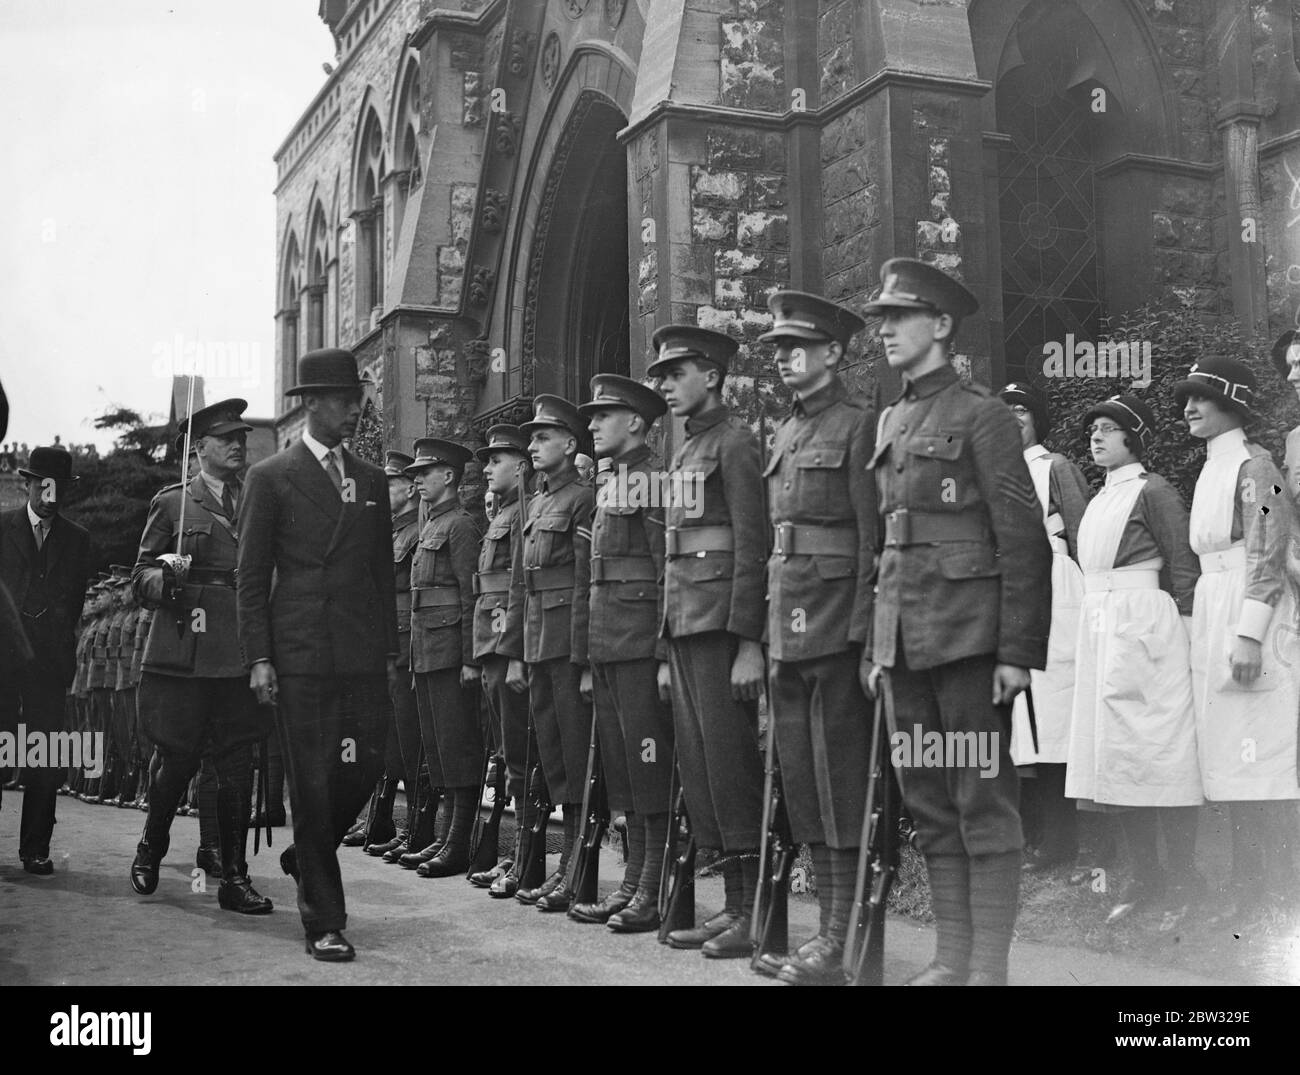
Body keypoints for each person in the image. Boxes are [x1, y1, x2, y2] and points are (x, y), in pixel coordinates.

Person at [860, 258, 1052, 986]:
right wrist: (880, 646)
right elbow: (888, 541)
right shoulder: (893, 418)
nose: (884, 330)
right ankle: (950, 958)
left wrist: (1016, 651)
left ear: (941, 325)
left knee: (981, 799)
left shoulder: (985, 415)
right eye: (880, 319)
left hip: (970, 642)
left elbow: (1021, 537)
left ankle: (987, 968)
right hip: (906, 645)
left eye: (899, 317)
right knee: (931, 801)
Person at [237, 349, 400, 962]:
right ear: (311, 403)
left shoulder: (372, 479)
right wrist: (259, 657)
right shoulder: (270, 476)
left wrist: (388, 647)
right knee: (309, 782)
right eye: (343, 399)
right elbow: (251, 579)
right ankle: (324, 921)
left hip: (358, 650)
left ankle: (306, 852)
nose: (356, 407)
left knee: (367, 763)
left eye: (357, 397)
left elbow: (382, 573)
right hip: (300, 652)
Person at [756, 291, 877, 984]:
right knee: (802, 784)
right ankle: (826, 928)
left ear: (834, 352)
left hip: (835, 629)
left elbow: (870, 537)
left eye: (796, 346)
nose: (784, 358)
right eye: (778, 349)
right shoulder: (786, 433)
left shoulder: (861, 426)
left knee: (838, 784)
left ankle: (844, 934)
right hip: (789, 626)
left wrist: (863, 635)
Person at [128, 399, 272, 915]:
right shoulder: (172, 504)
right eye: (227, 438)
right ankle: (152, 845)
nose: (239, 445)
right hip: (185, 655)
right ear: (199, 449)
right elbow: (139, 576)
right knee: (178, 759)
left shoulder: (258, 496)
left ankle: (234, 877)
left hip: (238, 652)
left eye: (242, 437)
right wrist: (163, 580)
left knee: (237, 765)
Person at [650, 326, 767, 957]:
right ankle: (735, 906)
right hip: (689, 631)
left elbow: (754, 544)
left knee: (732, 766)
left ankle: (753, 912)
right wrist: (666, 648)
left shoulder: (736, 443)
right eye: (662, 377)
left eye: (676, 373)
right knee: (702, 772)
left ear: (713, 376)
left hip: (724, 630)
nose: (665, 385)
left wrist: (751, 642)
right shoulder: (685, 450)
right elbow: (675, 557)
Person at [1064, 393, 1203, 924]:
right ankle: (1146, 875)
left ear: (1133, 438)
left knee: (1159, 749)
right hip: (1102, 625)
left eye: (1108, 429)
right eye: (1092, 429)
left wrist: (1189, 637)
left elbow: (1183, 563)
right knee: (1117, 753)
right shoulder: (1101, 497)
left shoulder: (1155, 491)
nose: (1096, 438)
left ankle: (1186, 877)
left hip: (1146, 627)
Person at [1175, 358, 1300, 916]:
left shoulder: (1258, 466)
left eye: (1203, 397)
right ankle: (1251, 887)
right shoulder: (1211, 468)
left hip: (1252, 607)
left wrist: (1249, 634)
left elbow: (1269, 549)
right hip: (1212, 601)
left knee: (1261, 750)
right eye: (1187, 398)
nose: (1189, 407)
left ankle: (1270, 891)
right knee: (1231, 748)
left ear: (1234, 404)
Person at [574, 374, 675, 931]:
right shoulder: (612, 485)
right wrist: (591, 656)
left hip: (638, 646)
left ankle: (652, 889)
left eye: (602, 415)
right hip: (610, 645)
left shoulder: (655, 480)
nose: (591, 425)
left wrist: (663, 652)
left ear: (635, 421)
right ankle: (634, 882)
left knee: (649, 765)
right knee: (624, 769)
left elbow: (666, 568)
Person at [503, 396, 595, 910]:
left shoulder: (584, 498)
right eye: (531, 438)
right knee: (554, 757)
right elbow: (520, 583)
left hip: (565, 645)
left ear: (570, 444)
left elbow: (587, 581)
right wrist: (515, 651)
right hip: (537, 644)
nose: (533, 446)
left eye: (543, 437)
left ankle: (578, 871)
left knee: (578, 757)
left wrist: (580, 658)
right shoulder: (533, 503)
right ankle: (565, 869)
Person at [997, 383, 1090, 872]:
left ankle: (1062, 839)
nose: (1013, 418)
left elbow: (1083, 534)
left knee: (1052, 714)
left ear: (1037, 420)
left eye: (1021, 410)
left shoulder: (1054, 467)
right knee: (1017, 719)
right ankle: (1027, 834)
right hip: (1008, 590)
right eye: (1004, 410)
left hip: (1056, 587)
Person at [0, 446, 91, 873]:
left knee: (44, 754)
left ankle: (35, 847)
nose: (51, 496)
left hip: (49, 662)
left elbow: (73, 602)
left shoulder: (78, 540)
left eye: (59, 489)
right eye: (44, 486)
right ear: (30, 484)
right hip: (3, 656)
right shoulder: (2, 529)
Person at [401, 438, 483, 877]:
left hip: (452, 655)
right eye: (413, 474)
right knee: (437, 749)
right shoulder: (430, 526)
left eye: (423, 473)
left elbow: (471, 596)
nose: (416, 481)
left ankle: (456, 845)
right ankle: (442, 839)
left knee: (458, 747)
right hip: (427, 655)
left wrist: (471, 658)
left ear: (448, 476)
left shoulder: (460, 527)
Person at [469, 425, 536, 896]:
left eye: (498, 459)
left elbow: (519, 589)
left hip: (506, 642)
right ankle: (517, 857)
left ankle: (526, 860)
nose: (488, 468)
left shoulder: (524, 513)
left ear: (522, 466)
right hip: (492, 643)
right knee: (507, 753)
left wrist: (510, 648)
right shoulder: (504, 514)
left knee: (520, 754)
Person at [361, 450, 433, 862]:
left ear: (409, 488)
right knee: (390, 740)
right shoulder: (389, 535)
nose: (384, 489)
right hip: (386, 645)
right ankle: (389, 820)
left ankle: (415, 827)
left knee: (411, 740)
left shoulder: (418, 533)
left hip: (409, 644)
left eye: (392, 482)